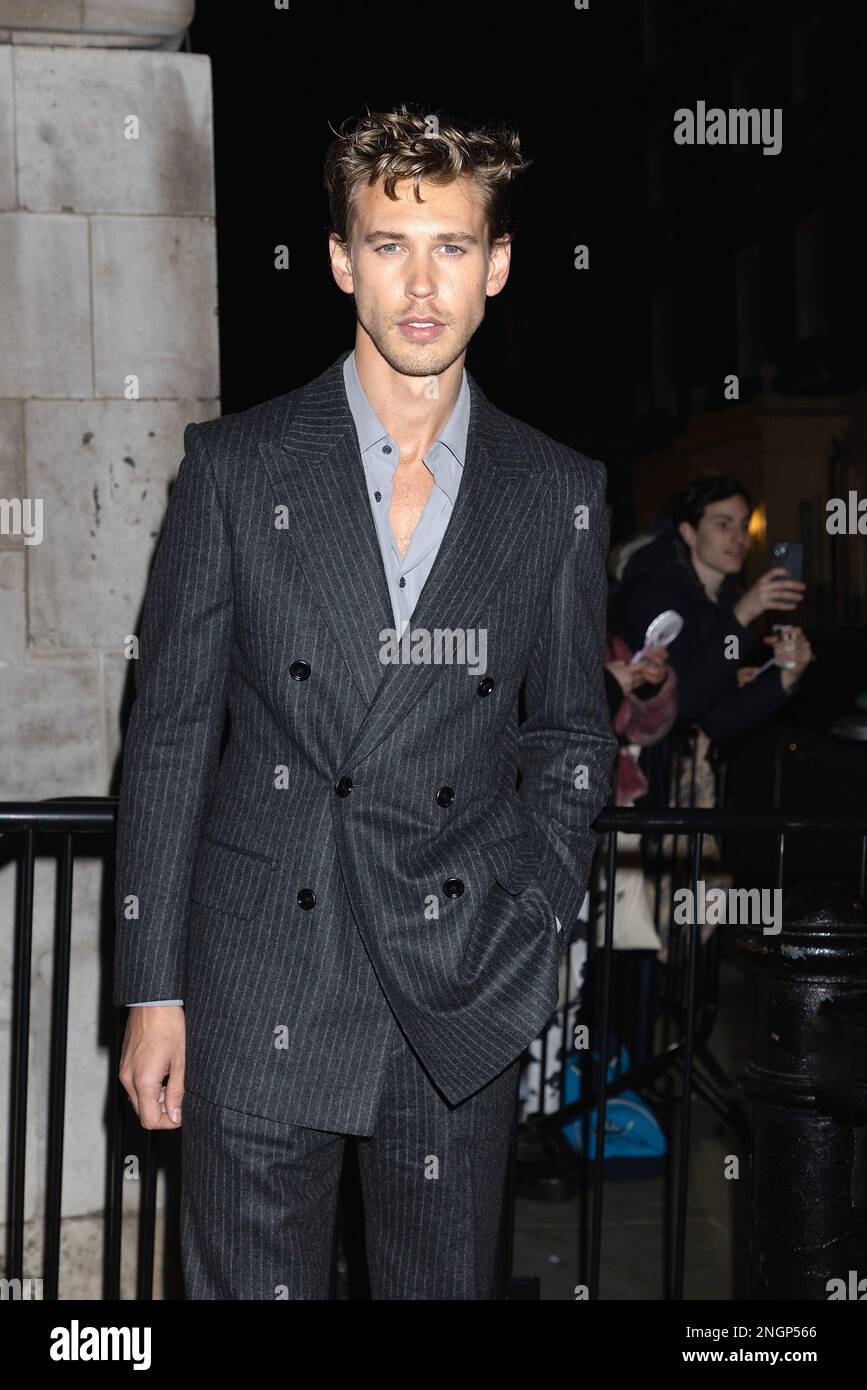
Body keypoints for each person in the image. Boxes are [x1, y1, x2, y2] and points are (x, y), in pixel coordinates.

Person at [113, 102, 618, 1300]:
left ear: (497, 265)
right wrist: (152, 989)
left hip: (452, 989)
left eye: (451, 245)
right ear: (343, 262)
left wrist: (531, 912)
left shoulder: (558, 493)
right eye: (391, 245)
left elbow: (571, 738)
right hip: (257, 979)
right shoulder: (237, 469)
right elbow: (171, 733)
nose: (422, 283)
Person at [615, 476, 812, 743]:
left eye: (744, 525)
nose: (740, 538)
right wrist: (742, 615)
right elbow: (682, 705)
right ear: (689, 533)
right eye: (723, 524)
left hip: (693, 774)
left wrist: (787, 675)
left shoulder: (726, 598)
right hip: (642, 772)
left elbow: (718, 717)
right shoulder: (652, 593)